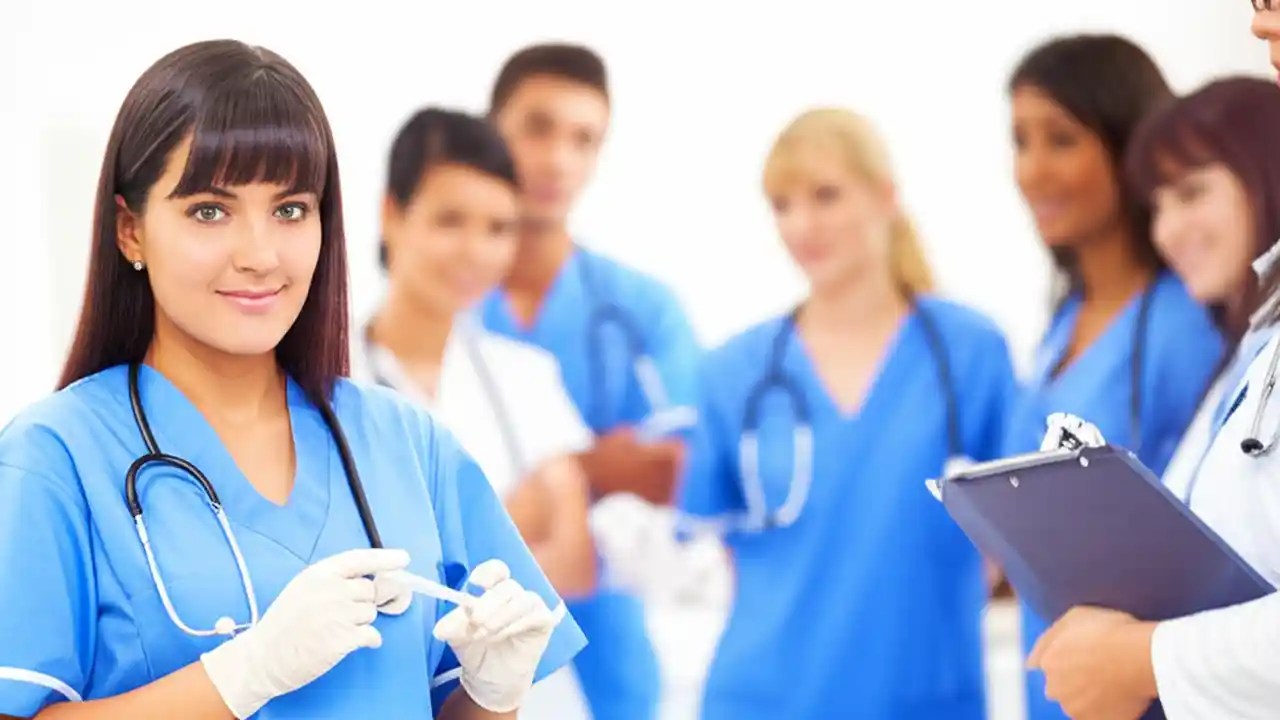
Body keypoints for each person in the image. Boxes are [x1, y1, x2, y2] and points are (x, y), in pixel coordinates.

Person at [0, 41, 585, 720]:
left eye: (290, 210)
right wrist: (241, 675)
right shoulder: (54, 458)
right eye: (209, 211)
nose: (260, 255)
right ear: (130, 230)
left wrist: (493, 693)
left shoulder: (408, 445)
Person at [677, 107, 1014, 719]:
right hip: (764, 698)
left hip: (924, 697)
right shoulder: (734, 370)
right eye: (782, 204)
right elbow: (708, 541)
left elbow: (1019, 534)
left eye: (825, 196)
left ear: (886, 195)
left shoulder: (970, 352)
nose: (802, 224)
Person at [1026, 75, 1280, 720]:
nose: (1168, 230)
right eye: (1158, 205)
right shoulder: (1242, 358)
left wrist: (1144, 657)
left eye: (1193, 192)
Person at [1001, 34, 1225, 720]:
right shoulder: (1062, 324)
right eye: (1019, 141)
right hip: (1058, 688)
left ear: (1131, 146)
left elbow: (1219, 549)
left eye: (1061, 140)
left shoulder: (1186, 326)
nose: (1031, 171)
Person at [478, 43, 701, 720]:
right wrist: (598, 464)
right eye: (539, 127)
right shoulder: (445, 310)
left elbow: (683, 473)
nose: (558, 160)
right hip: (464, 665)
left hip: (606, 664)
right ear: (492, 129)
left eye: (584, 139)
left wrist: (549, 472)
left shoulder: (642, 309)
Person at [353, 107, 597, 719]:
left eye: (497, 227)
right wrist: (511, 523)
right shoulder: (330, 383)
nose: (475, 250)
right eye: (450, 220)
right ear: (391, 214)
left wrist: (419, 554)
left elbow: (575, 560)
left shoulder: (527, 376)